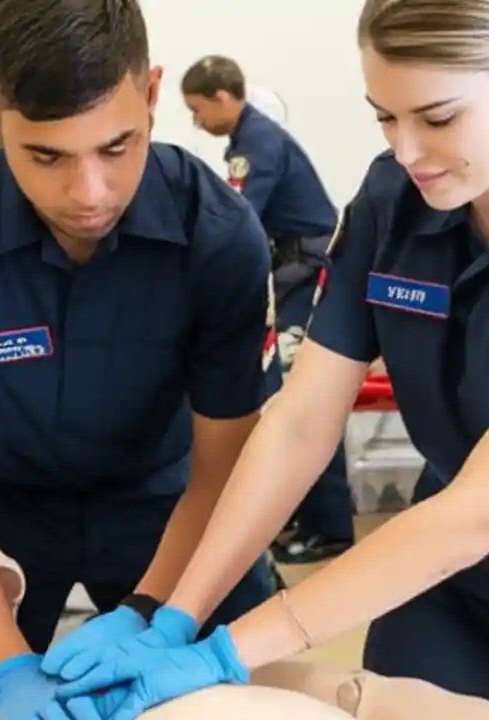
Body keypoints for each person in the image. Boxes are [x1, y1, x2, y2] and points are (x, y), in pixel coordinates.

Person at [47, 1, 489, 719]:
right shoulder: (393, 201)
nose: (406, 149)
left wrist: (224, 655)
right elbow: (302, 422)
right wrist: (175, 615)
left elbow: (479, 513)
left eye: (436, 119)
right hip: (448, 596)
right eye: (384, 117)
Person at [0, 0, 278, 717]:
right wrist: (6, 671)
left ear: (151, 95)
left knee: (249, 699)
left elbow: (227, 471)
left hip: (174, 507)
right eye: (47, 156)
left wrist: (156, 612)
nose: (89, 193)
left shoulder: (218, 234)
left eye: (117, 147)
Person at [181, 55, 356, 564]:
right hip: (292, 275)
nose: (196, 121)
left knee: (306, 398)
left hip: (308, 274)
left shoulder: (257, 143)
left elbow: (237, 220)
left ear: (222, 97)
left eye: (198, 109)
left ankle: (331, 527)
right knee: (285, 398)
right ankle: (305, 515)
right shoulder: (249, 140)